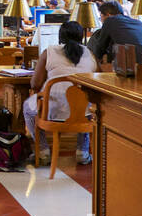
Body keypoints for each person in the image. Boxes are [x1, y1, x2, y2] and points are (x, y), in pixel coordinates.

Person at [23, 20, 96, 166]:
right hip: (84, 113)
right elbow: (97, 79)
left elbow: (35, 84)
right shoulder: (89, 53)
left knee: (28, 108)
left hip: (52, 110)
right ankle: (82, 151)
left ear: (59, 36)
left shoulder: (48, 52)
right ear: (81, 37)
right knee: (83, 104)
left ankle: (43, 151)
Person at [88, 0, 142, 65]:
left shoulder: (110, 20)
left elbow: (100, 47)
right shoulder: (139, 22)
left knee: (95, 38)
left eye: (101, 16)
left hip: (132, 65)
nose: (101, 20)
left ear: (108, 15)